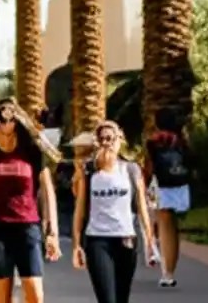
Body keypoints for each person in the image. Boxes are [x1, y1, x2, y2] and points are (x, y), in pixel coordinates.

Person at [0, 99, 61, 303]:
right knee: (2, 295)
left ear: (17, 122)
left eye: (10, 120)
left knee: (35, 294)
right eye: (0, 120)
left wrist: (52, 232)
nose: (4, 126)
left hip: (27, 227)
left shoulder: (32, 150)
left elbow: (47, 192)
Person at [72, 120, 158, 303]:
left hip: (126, 239)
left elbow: (142, 207)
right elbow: (80, 209)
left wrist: (150, 241)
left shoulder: (131, 169)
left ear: (119, 141)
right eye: (101, 139)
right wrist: (77, 245)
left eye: (110, 138)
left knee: (121, 298)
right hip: (97, 240)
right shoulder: (89, 171)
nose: (106, 143)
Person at [144, 108, 191, 288]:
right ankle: (170, 271)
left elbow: (149, 166)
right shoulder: (181, 141)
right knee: (173, 228)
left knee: (164, 226)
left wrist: (145, 183)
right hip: (180, 184)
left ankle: (166, 273)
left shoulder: (154, 141)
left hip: (162, 185)